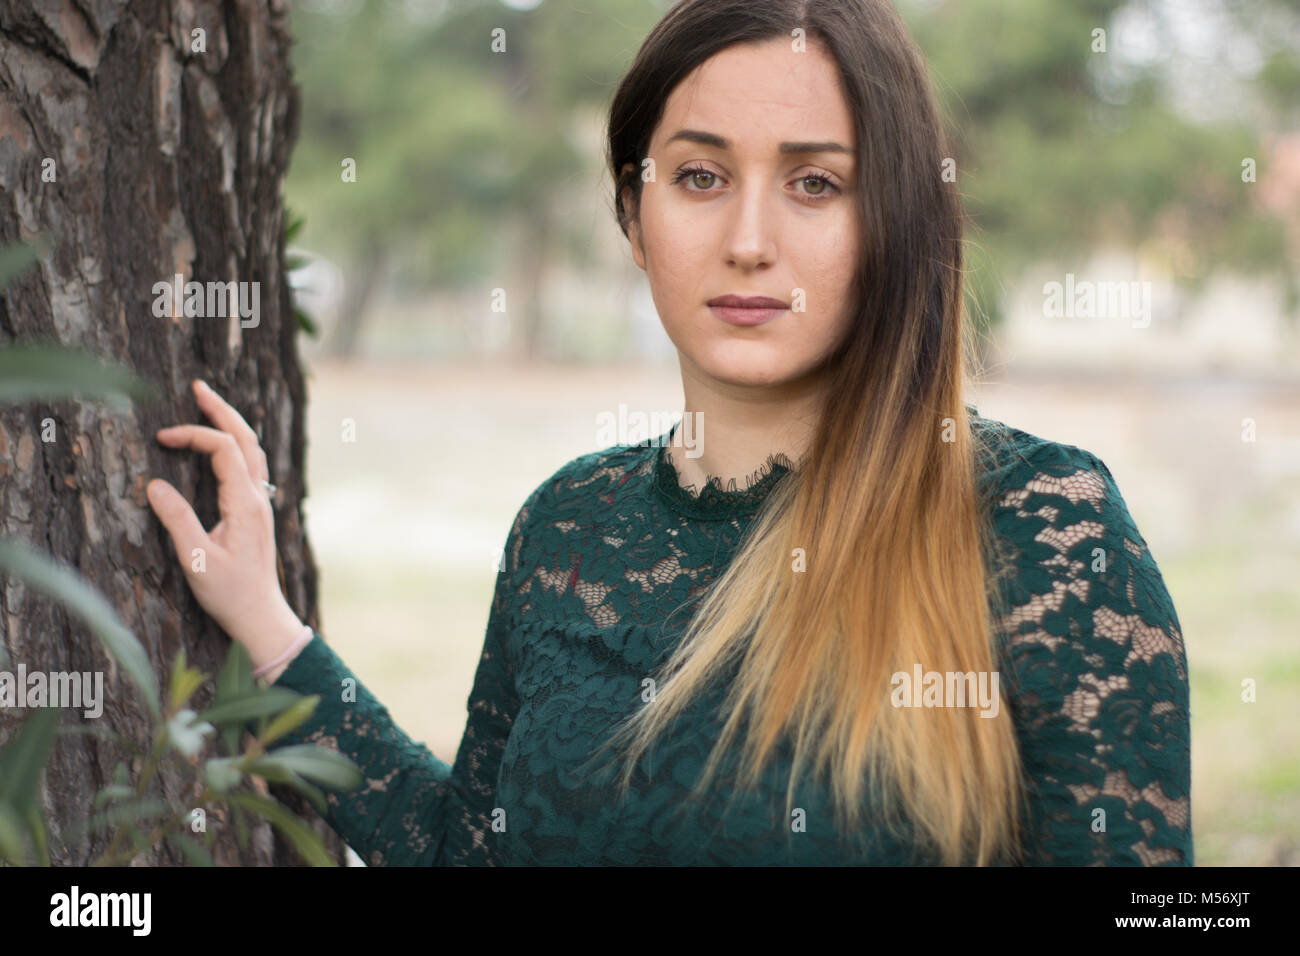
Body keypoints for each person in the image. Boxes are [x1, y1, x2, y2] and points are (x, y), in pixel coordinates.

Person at [146, 0, 1192, 866]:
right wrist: (266, 624)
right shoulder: (566, 525)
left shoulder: (1044, 525)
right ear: (632, 217)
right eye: (699, 176)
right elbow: (464, 847)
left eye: (814, 183)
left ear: (894, 220)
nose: (747, 241)